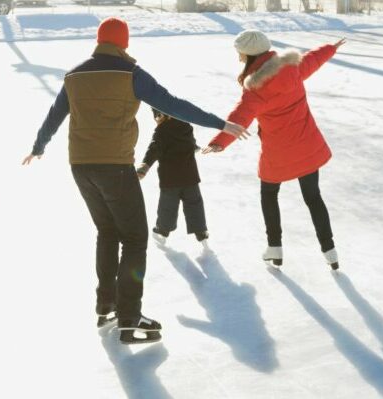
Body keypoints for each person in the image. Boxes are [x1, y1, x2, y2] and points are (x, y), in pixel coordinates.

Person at [22, 17, 248, 344]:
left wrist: (38, 147)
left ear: (100, 41)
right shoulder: (130, 73)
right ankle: (129, 317)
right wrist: (219, 123)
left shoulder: (74, 74)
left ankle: (106, 305)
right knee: (135, 238)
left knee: (107, 231)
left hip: (81, 166)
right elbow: (172, 104)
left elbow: (54, 116)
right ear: (123, 42)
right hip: (114, 166)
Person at [203, 30, 346, 270]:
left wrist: (219, 142)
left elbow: (239, 118)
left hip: (278, 154)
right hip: (307, 146)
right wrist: (331, 48)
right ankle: (330, 251)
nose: (238, 58)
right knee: (313, 197)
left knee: (269, 195)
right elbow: (313, 59)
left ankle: (275, 247)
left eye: (240, 54)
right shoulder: (293, 68)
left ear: (250, 55)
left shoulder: (256, 90)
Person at [137, 109, 210, 250]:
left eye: (158, 116)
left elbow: (154, 149)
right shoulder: (186, 126)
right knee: (194, 204)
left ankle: (162, 231)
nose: (157, 119)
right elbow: (190, 142)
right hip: (190, 177)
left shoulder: (161, 132)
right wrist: (193, 147)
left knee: (167, 206)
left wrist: (144, 167)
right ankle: (201, 233)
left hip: (170, 179)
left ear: (165, 115)